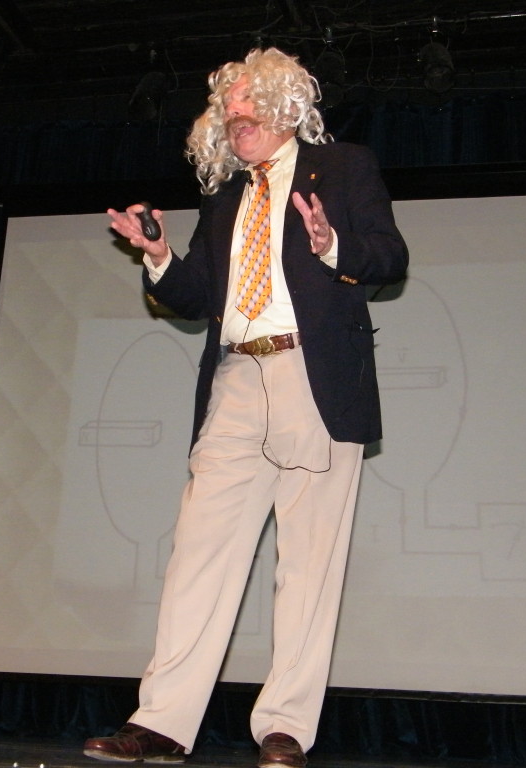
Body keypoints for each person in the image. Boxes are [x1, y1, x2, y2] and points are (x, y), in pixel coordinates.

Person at [85, 47, 408, 768]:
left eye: (247, 106)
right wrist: (160, 257)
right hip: (236, 381)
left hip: (313, 376)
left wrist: (331, 245)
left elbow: (389, 257)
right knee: (197, 554)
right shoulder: (226, 196)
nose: (236, 122)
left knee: (309, 564)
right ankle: (163, 723)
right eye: (225, 114)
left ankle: (285, 728)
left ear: (286, 104)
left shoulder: (346, 167)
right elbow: (198, 297)